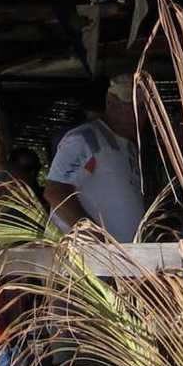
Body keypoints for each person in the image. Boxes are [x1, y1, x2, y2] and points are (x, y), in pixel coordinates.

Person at [44, 73, 146, 242]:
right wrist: (92, 236)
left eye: (142, 108)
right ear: (111, 103)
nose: (136, 114)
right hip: (88, 259)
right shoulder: (84, 139)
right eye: (130, 105)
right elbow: (55, 191)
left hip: (122, 259)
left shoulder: (129, 148)